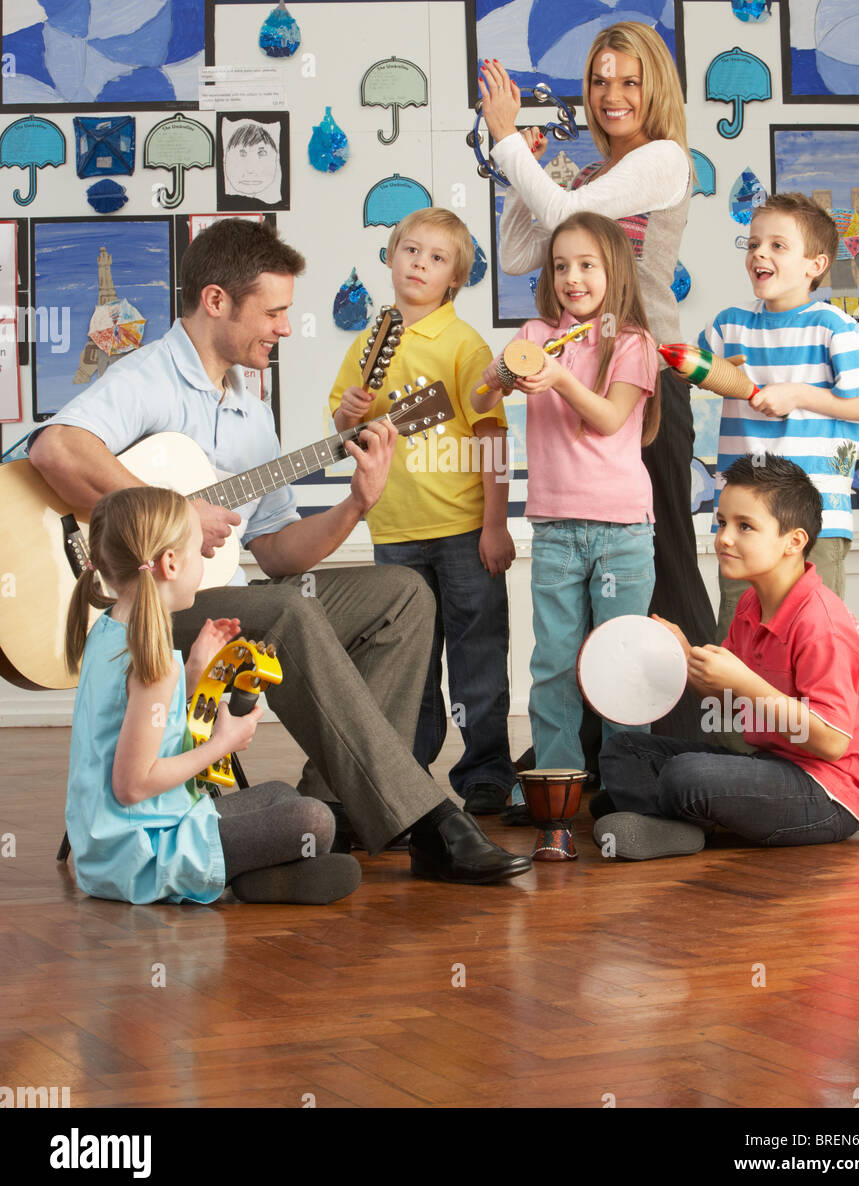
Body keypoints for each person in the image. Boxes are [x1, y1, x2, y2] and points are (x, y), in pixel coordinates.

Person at [30, 217, 530, 886]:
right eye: (273, 311)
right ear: (216, 302)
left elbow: (277, 555)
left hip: (217, 594)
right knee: (288, 615)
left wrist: (356, 503)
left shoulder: (249, 407)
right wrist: (175, 512)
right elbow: (55, 449)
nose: (287, 328)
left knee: (403, 597)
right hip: (140, 604)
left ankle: (335, 802)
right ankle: (430, 820)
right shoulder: (147, 376)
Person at [478, 23, 714, 744]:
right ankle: (583, 759)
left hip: (647, 380)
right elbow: (525, 248)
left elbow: (560, 216)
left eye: (629, 81)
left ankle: (696, 743)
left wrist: (505, 141)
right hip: (580, 375)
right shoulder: (584, 179)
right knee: (590, 605)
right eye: (600, 80)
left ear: (655, 90)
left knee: (664, 562)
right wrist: (531, 172)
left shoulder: (665, 159)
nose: (611, 95)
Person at [64, 486, 361, 905]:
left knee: (281, 795)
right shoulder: (152, 663)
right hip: (143, 857)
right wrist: (223, 743)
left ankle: (253, 877)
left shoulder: (110, 633)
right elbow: (132, 785)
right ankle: (245, 876)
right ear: (170, 563)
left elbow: (141, 726)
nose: (204, 564)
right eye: (197, 551)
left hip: (111, 846)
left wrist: (191, 673)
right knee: (314, 820)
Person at [595, 455, 859, 860]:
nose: (724, 538)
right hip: (773, 765)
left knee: (686, 775)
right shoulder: (751, 604)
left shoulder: (822, 623)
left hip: (829, 794)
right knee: (624, 750)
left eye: (744, 526)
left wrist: (743, 681)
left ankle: (665, 817)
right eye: (721, 523)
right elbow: (733, 703)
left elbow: (833, 741)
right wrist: (684, 659)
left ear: (794, 541)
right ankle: (676, 824)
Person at [473, 212, 659, 841]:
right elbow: (479, 400)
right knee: (553, 662)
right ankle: (557, 784)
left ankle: (626, 787)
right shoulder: (533, 334)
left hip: (623, 530)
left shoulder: (634, 343)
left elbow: (609, 419)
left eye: (587, 265)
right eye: (560, 266)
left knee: (622, 662)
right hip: (553, 528)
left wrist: (556, 379)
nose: (572, 277)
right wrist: (506, 372)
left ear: (615, 272)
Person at [329, 208, 516, 815]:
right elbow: (343, 428)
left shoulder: (464, 345)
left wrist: (495, 523)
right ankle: (407, 772)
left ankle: (486, 772)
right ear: (390, 258)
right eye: (410, 250)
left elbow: (491, 435)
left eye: (437, 259)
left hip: (463, 532)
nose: (419, 264)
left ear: (454, 280)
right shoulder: (367, 342)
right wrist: (348, 412)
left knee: (477, 653)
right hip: (395, 531)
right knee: (408, 663)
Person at [700, 192, 859, 648]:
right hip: (743, 516)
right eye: (753, 244)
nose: (760, 252)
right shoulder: (729, 326)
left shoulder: (831, 325)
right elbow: (684, 371)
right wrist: (706, 373)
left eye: (778, 245)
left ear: (815, 264)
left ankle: (810, 721)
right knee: (738, 636)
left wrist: (799, 395)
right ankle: (734, 723)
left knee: (812, 636)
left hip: (814, 514)